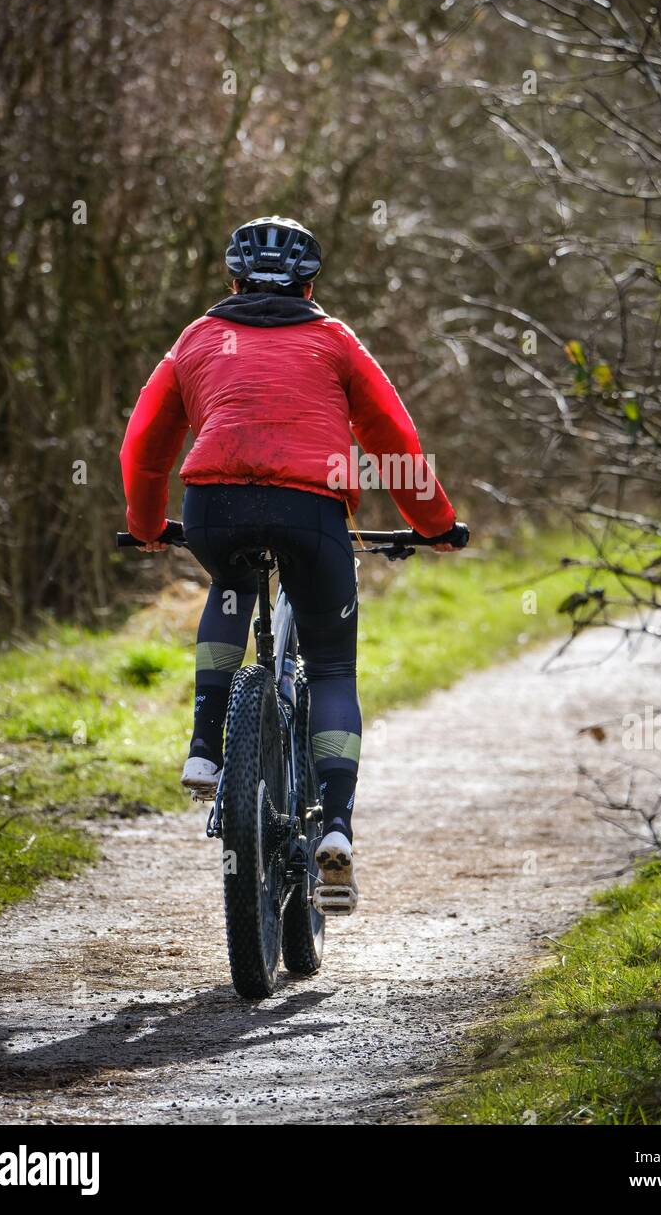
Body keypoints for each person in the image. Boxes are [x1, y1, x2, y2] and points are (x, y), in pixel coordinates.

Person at [119, 216, 463, 912]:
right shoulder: (334, 341)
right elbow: (392, 439)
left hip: (214, 506)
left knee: (231, 581)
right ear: (310, 284)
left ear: (231, 279)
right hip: (312, 515)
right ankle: (335, 828)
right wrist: (436, 524)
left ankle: (203, 749)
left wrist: (148, 524)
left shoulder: (196, 339)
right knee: (332, 667)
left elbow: (144, 446)